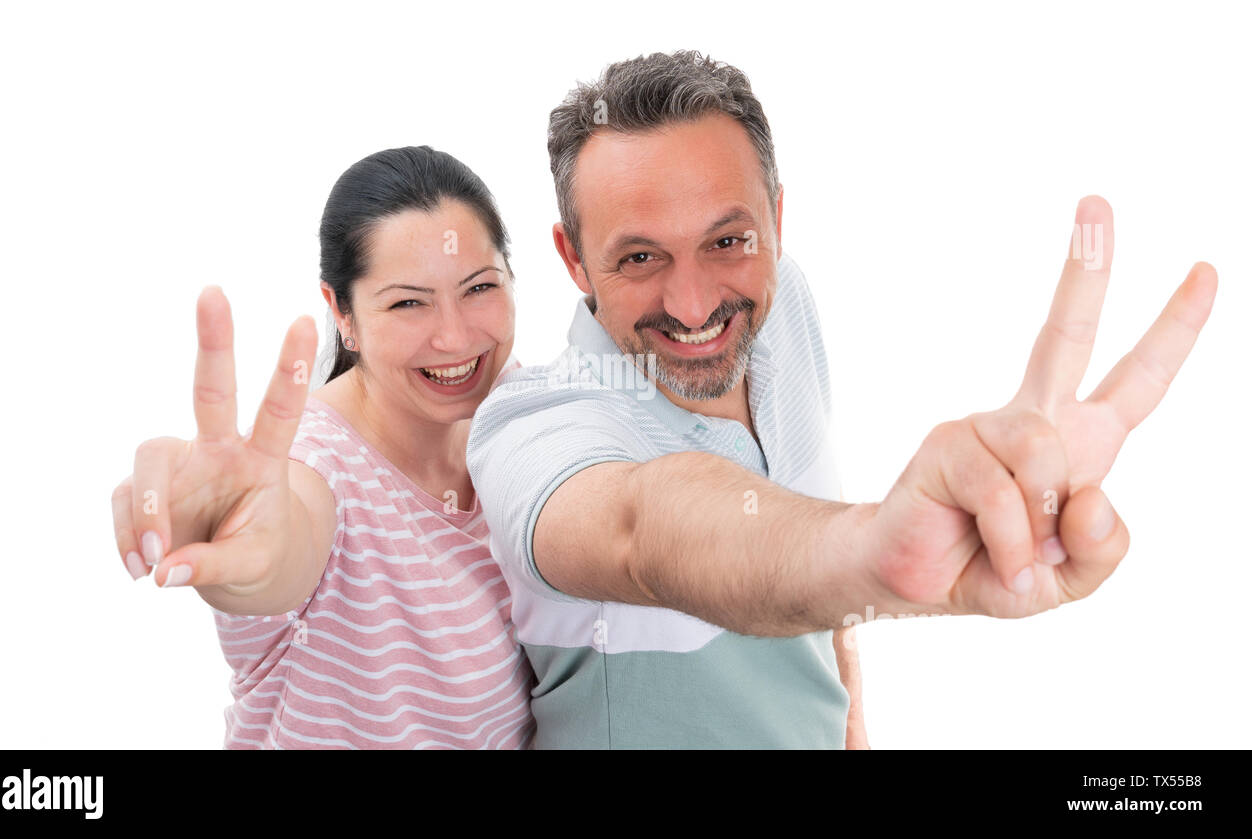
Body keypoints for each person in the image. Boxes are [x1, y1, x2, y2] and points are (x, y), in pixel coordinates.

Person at [464, 50, 1218, 748]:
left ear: (777, 220)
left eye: (728, 241)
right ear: (572, 258)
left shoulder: (782, 306)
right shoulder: (531, 423)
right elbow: (642, 530)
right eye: (639, 256)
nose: (694, 306)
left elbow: (816, 594)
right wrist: (874, 544)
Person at [111, 146, 536, 748]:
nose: (455, 335)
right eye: (408, 302)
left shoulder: (519, 410)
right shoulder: (315, 470)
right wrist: (240, 538)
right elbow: (282, 547)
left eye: (478, 287)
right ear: (343, 313)